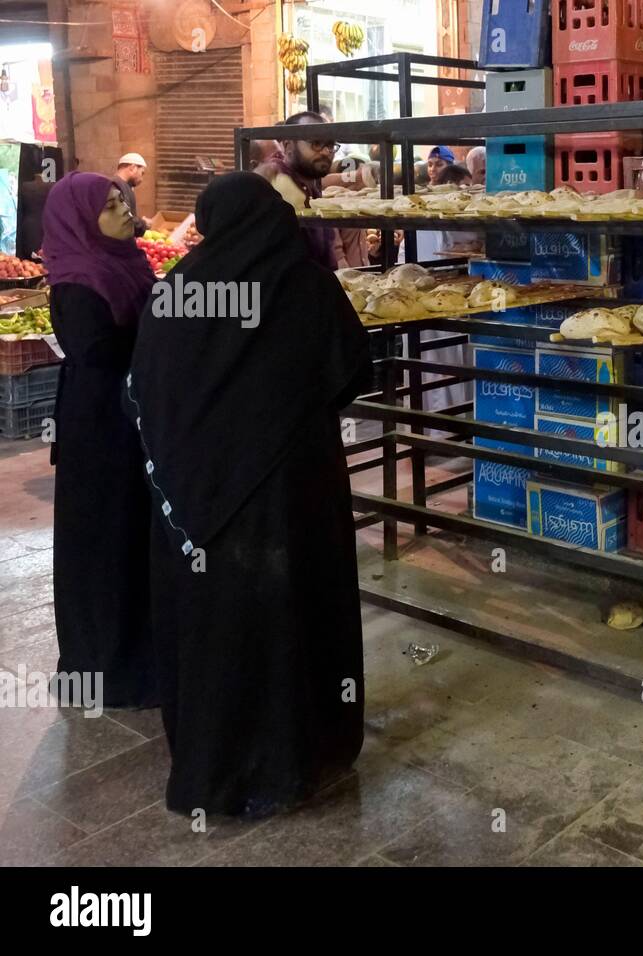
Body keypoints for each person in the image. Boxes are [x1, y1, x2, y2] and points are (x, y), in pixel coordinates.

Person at [126, 172, 372, 817]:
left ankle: (213, 767)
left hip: (194, 496)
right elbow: (351, 370)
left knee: (212, 627)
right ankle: (295, 760)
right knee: (294, 617)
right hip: (291, 491)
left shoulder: (176, 290)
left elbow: (144, 384)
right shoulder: (304, 286)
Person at [42, 172, 158, 708]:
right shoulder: (77, 281)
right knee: (104, 542)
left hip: (132, 421)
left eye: (122, 202)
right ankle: (106, 670)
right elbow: (98, 353)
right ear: (81, 220)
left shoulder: (127, 263)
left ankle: (142, 655)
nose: (125, 213)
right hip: (99, 430)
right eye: (111, 206)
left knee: (135, 537)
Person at [254, 110, 338, 269]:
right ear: (288, 146)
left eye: (330, 145)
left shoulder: (311, 189)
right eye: (316, 143)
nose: (326, 152)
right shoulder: (274, 180)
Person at [112, 152, 151, 236]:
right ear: (133, 168)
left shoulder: (122, 186)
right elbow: (123, 220)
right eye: (142, 173)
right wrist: (144, 224)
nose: (141, 179)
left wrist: (139, 221)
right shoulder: (116, 186)